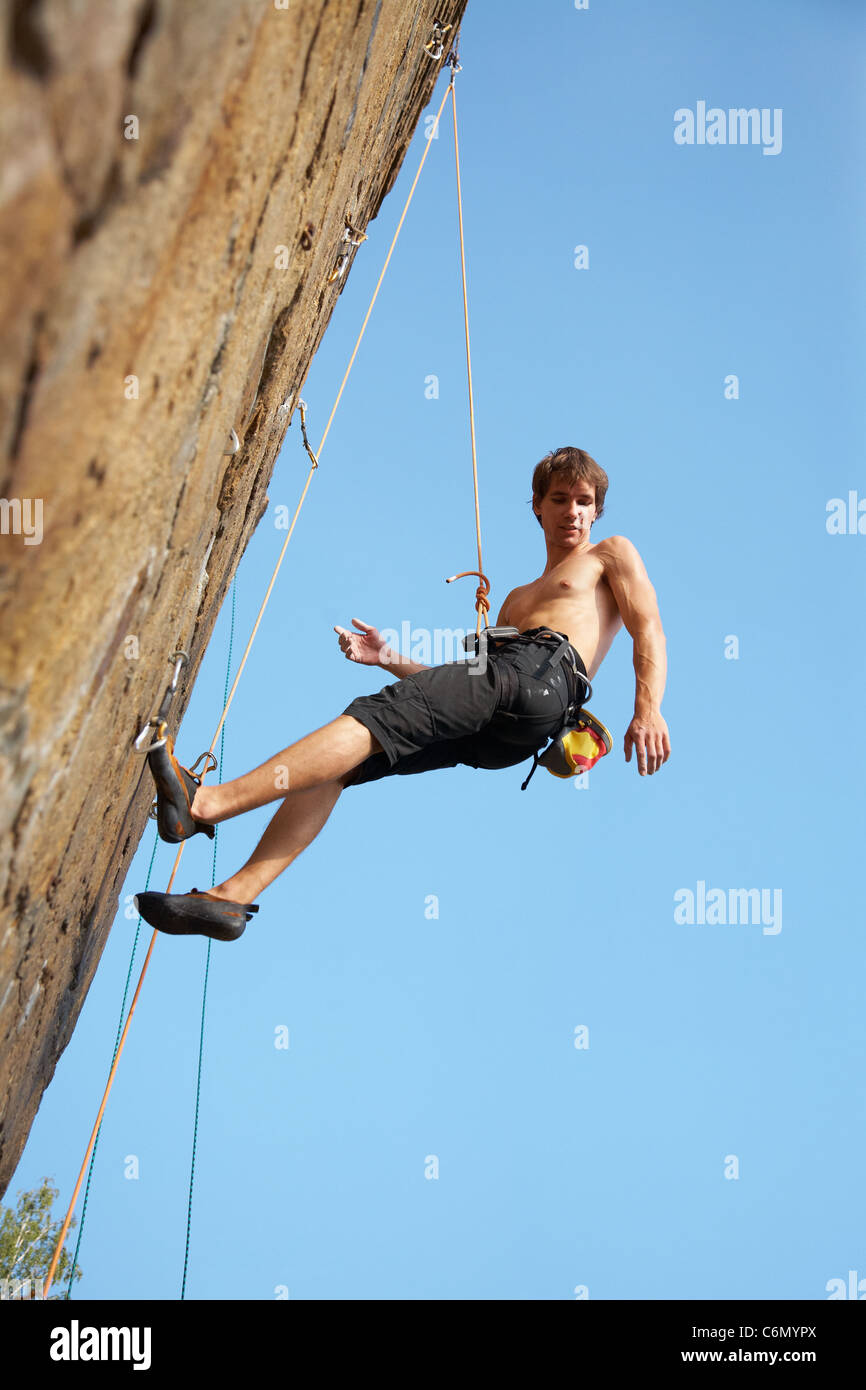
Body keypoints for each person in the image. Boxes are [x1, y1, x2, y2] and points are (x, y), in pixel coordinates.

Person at [135, 446, 671, 941]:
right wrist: (385, 657)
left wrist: (647, 709)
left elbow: (648, 628)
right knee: (342, 764)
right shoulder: (512, 601)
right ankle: (230, 900)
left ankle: (204, 803)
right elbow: (451, 694)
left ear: (597, 511)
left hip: (543, 678)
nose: (573, 511)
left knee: (373, 719)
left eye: (584, 501)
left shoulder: (610, 554)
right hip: (505, 726)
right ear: (536, 506)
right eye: (560, 499)